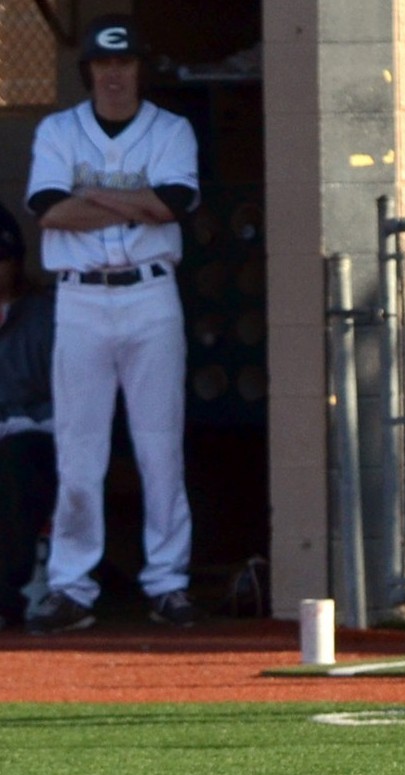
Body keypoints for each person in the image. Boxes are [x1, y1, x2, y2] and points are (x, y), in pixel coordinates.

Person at [23, 13, 204, 633]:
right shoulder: (57, 128)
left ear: (138, 69)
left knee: (160, 449)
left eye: (124, 63)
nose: (114, 75)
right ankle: (72, 587)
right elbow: (48, 210)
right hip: (78, 300)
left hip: (151, 295)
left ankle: (168, 583)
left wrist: (92, 197)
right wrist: (136, 203)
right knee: (78, 453)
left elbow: (173, 204)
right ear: (89, 71)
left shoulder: (171, 129)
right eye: (103, 64)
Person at [0, 200, 58, 631]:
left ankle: (11, 595)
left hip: (37, 438)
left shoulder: (46, 313)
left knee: (17, 465)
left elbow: (66, 397)